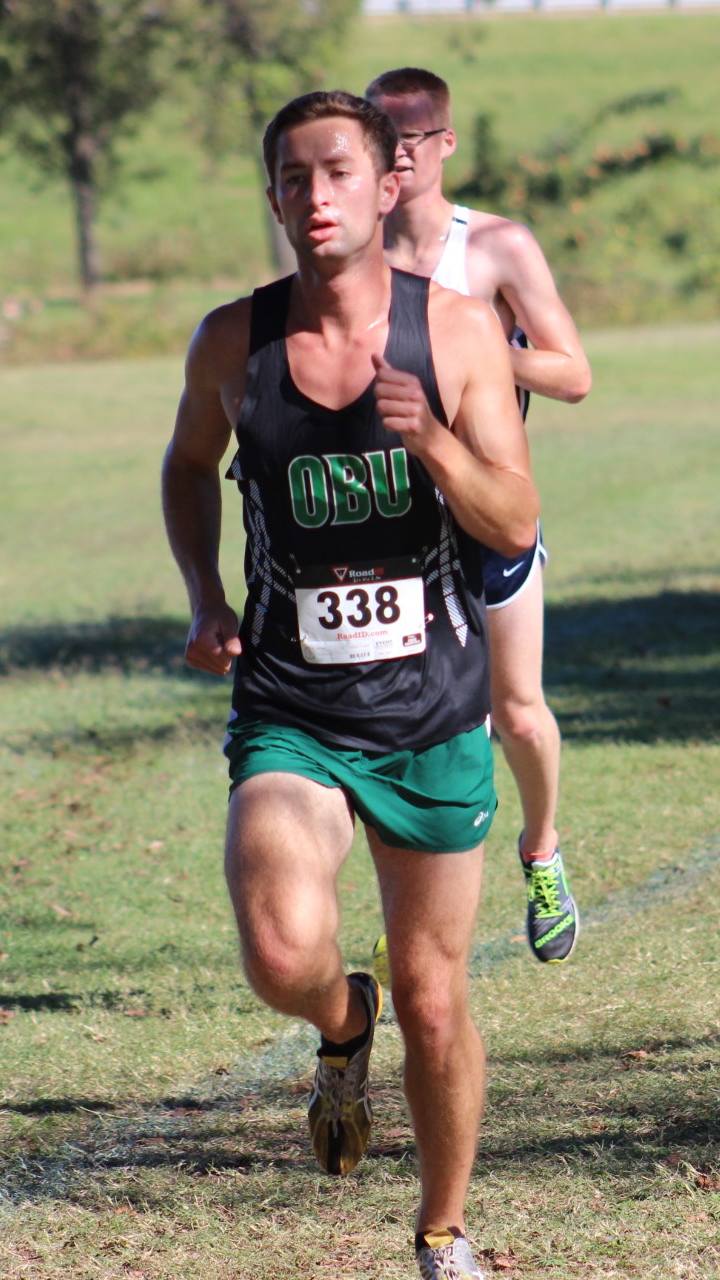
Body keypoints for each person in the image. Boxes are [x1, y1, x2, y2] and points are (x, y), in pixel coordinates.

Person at [160, 92, 536, 1280]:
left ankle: (440, 1230)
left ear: (388, 186)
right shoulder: (235, 341)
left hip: (432, 708)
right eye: (290, 177)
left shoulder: (462, 333)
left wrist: (430, 439)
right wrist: (206, 596)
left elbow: (517, 515)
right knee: (281, 946)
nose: (314, 195)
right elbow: (186, 464)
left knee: (438, 996)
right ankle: (336, 1018)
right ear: (271, 198)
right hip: (294, 705)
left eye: (337, 172)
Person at [366, 66, 591, 963]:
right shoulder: (353, 251)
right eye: (384, 137)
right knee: (406, 723)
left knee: (518, 712)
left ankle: (542, 849)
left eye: (416, 137)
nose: (401, 153)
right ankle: (414, 911)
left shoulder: (496, 246)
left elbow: (573, 372)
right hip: (389, 531)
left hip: (491, 516)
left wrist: (484, 355)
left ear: (446, 144)